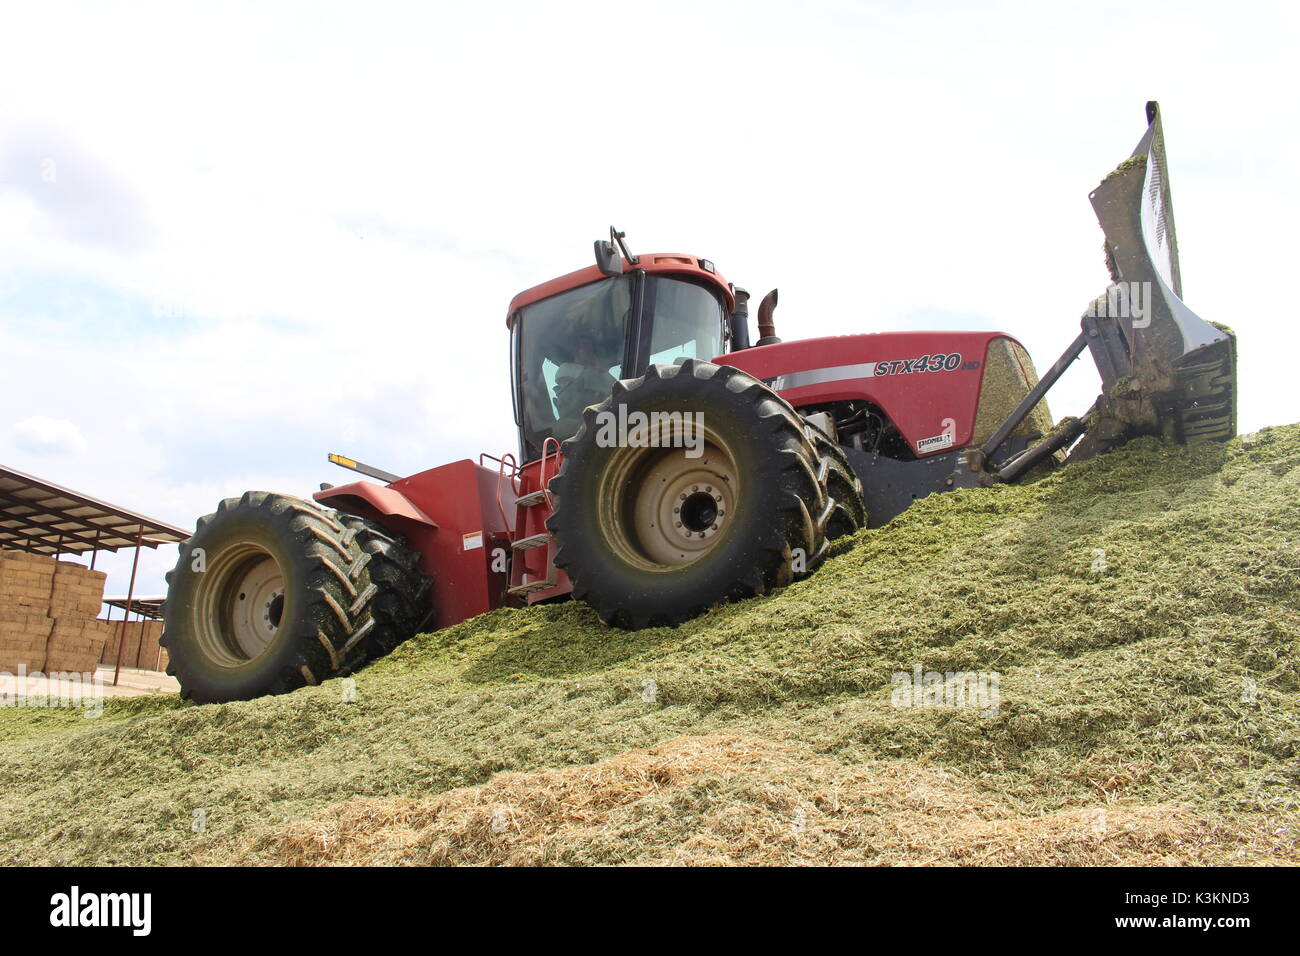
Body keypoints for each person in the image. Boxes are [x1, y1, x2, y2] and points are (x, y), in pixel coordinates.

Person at [554, 335, 617, 418]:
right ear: (576, 350)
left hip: (610, 411)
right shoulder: (566, 368)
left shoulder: (599, 370)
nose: (590, 350)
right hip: (584, 417)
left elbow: (617, 388)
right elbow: (571, 392)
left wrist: (600, 369)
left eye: (591, 348)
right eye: (585, 347)